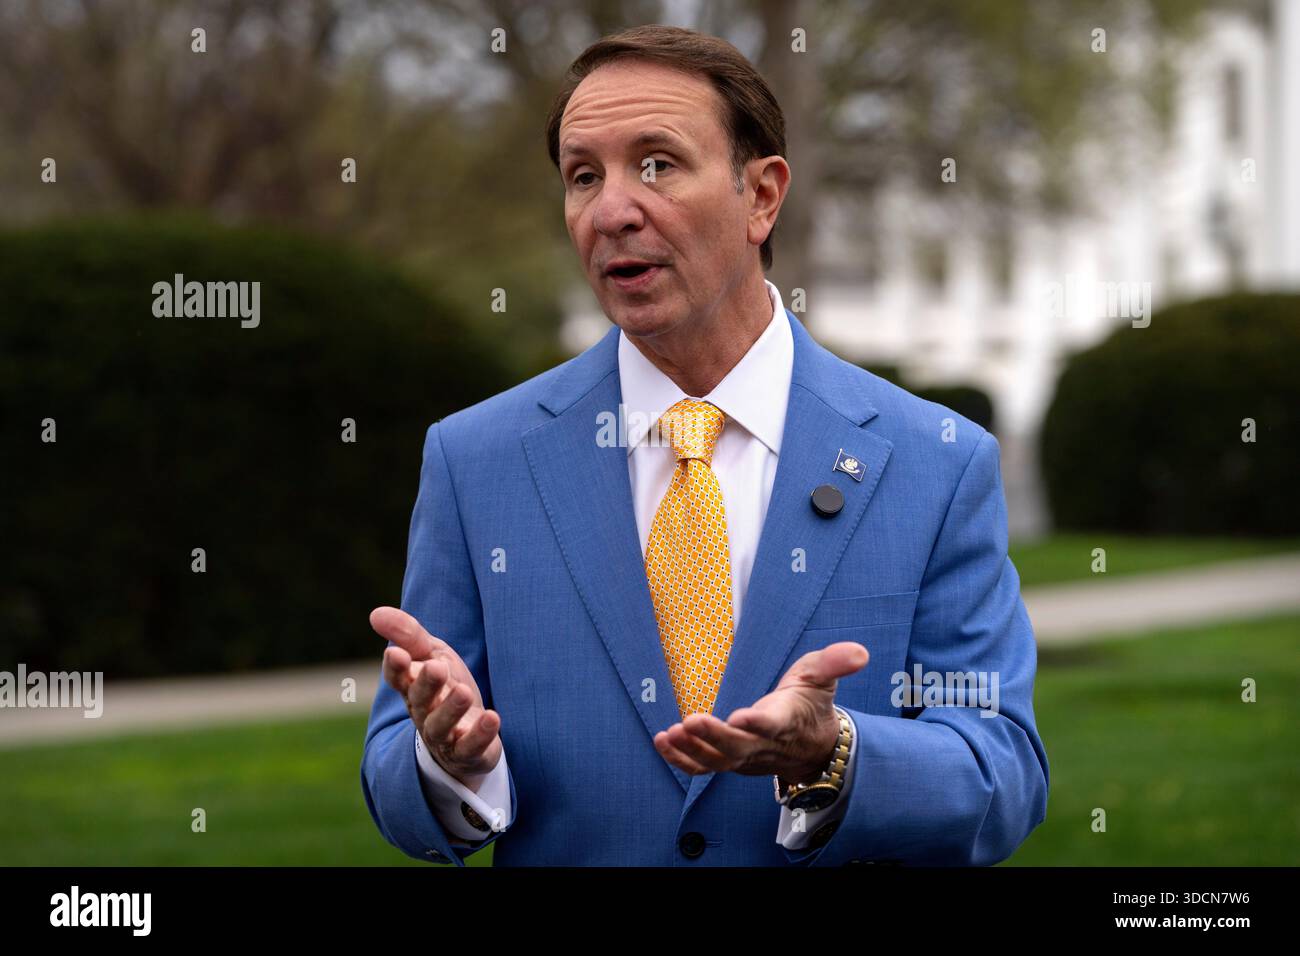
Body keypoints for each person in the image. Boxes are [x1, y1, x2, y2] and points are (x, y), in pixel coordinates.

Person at [360, 24, 1048, 866]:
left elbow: (1001, 771)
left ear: (761, 196)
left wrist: (832, 755)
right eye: (583, 176)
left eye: (656, 164)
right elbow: (394, 773)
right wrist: (448, 762)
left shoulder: (936, 462)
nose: (613, 210)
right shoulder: (477, 462)